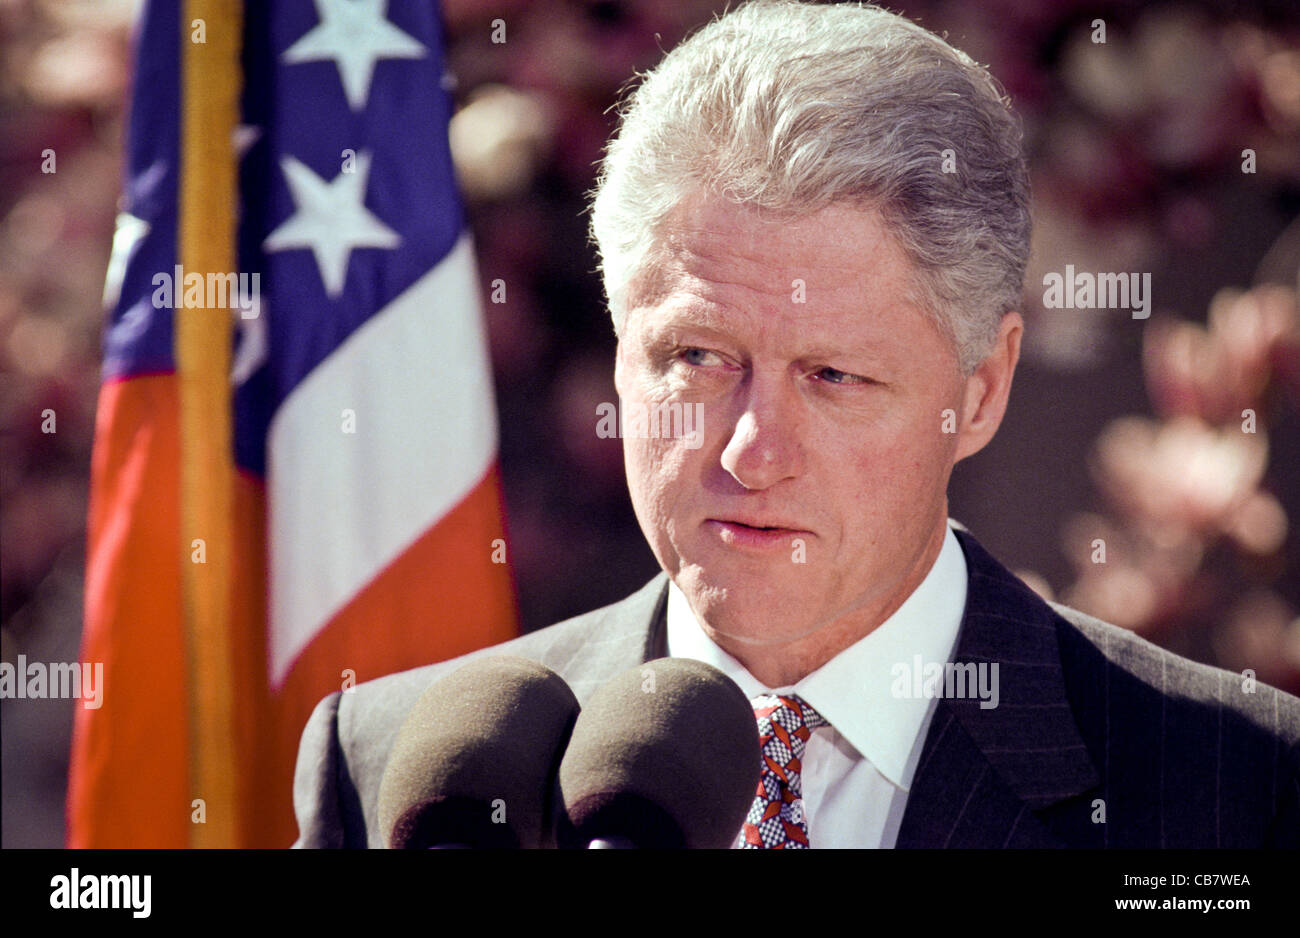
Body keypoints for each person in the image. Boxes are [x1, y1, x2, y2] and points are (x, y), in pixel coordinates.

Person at [292, 0, 1300, 848]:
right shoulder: (395, 769)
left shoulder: (1236, 788)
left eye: (832, 375)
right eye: (695, 357)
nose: (751, 451)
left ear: (981, 390)